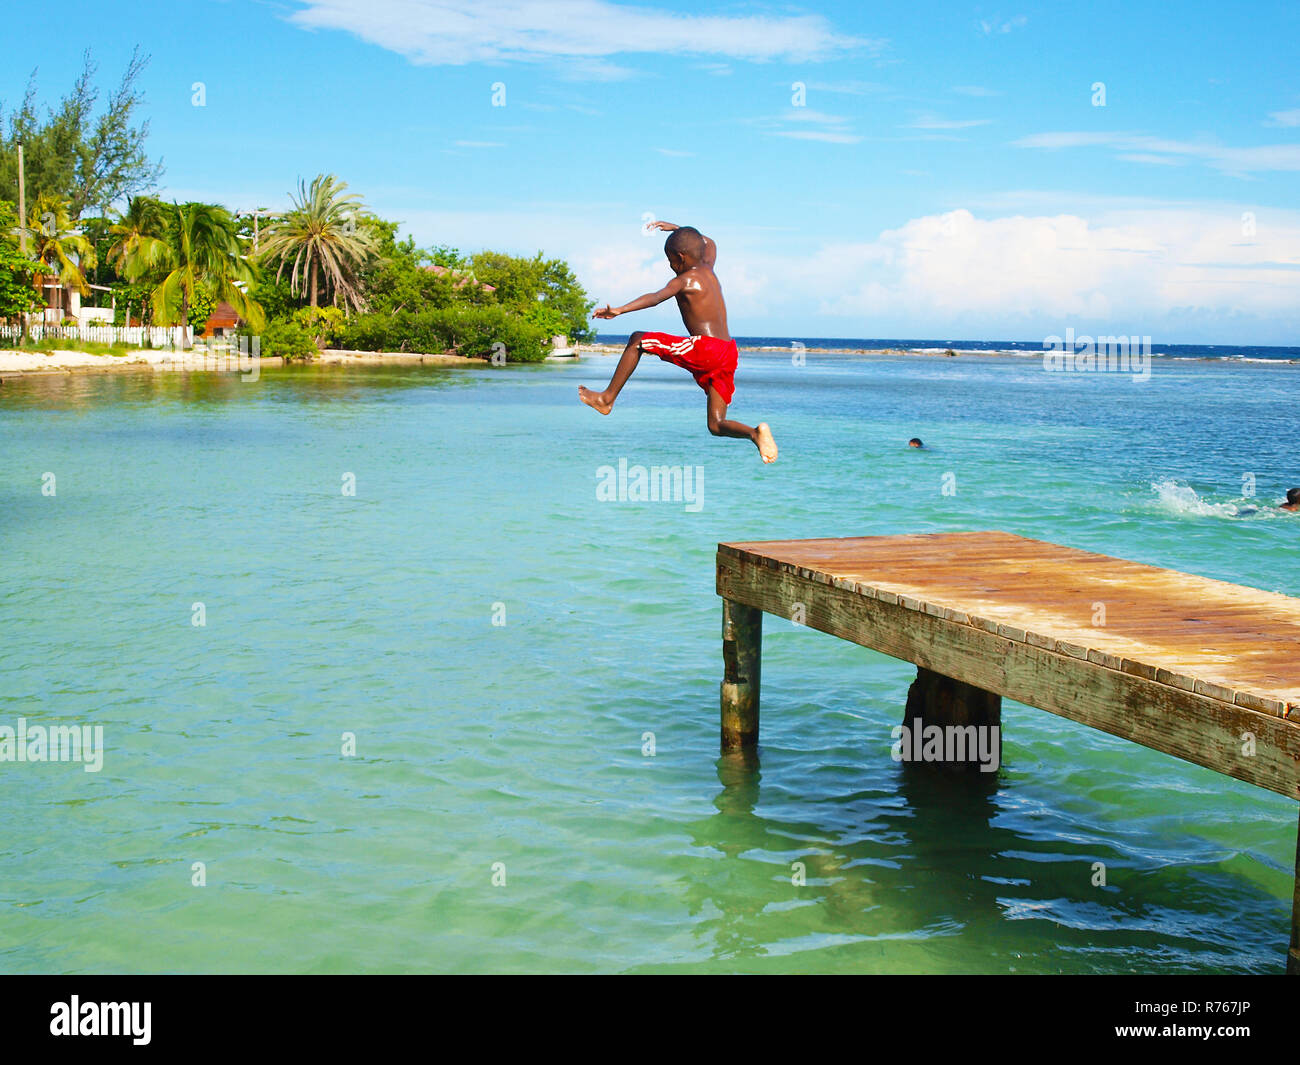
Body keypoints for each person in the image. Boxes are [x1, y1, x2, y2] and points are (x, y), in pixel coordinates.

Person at [578, 221, 777, 464]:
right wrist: (678, 229)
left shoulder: (685, 280)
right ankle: (754, 434)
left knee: (638, 339)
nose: (670, 266)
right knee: (716, 424)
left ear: (680, 258)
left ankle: (606, 399)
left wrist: (620, 310)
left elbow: (654, 298)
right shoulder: (709, 266)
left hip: (705, 349)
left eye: (670, 260)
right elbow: (709, 242)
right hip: (727, 352)